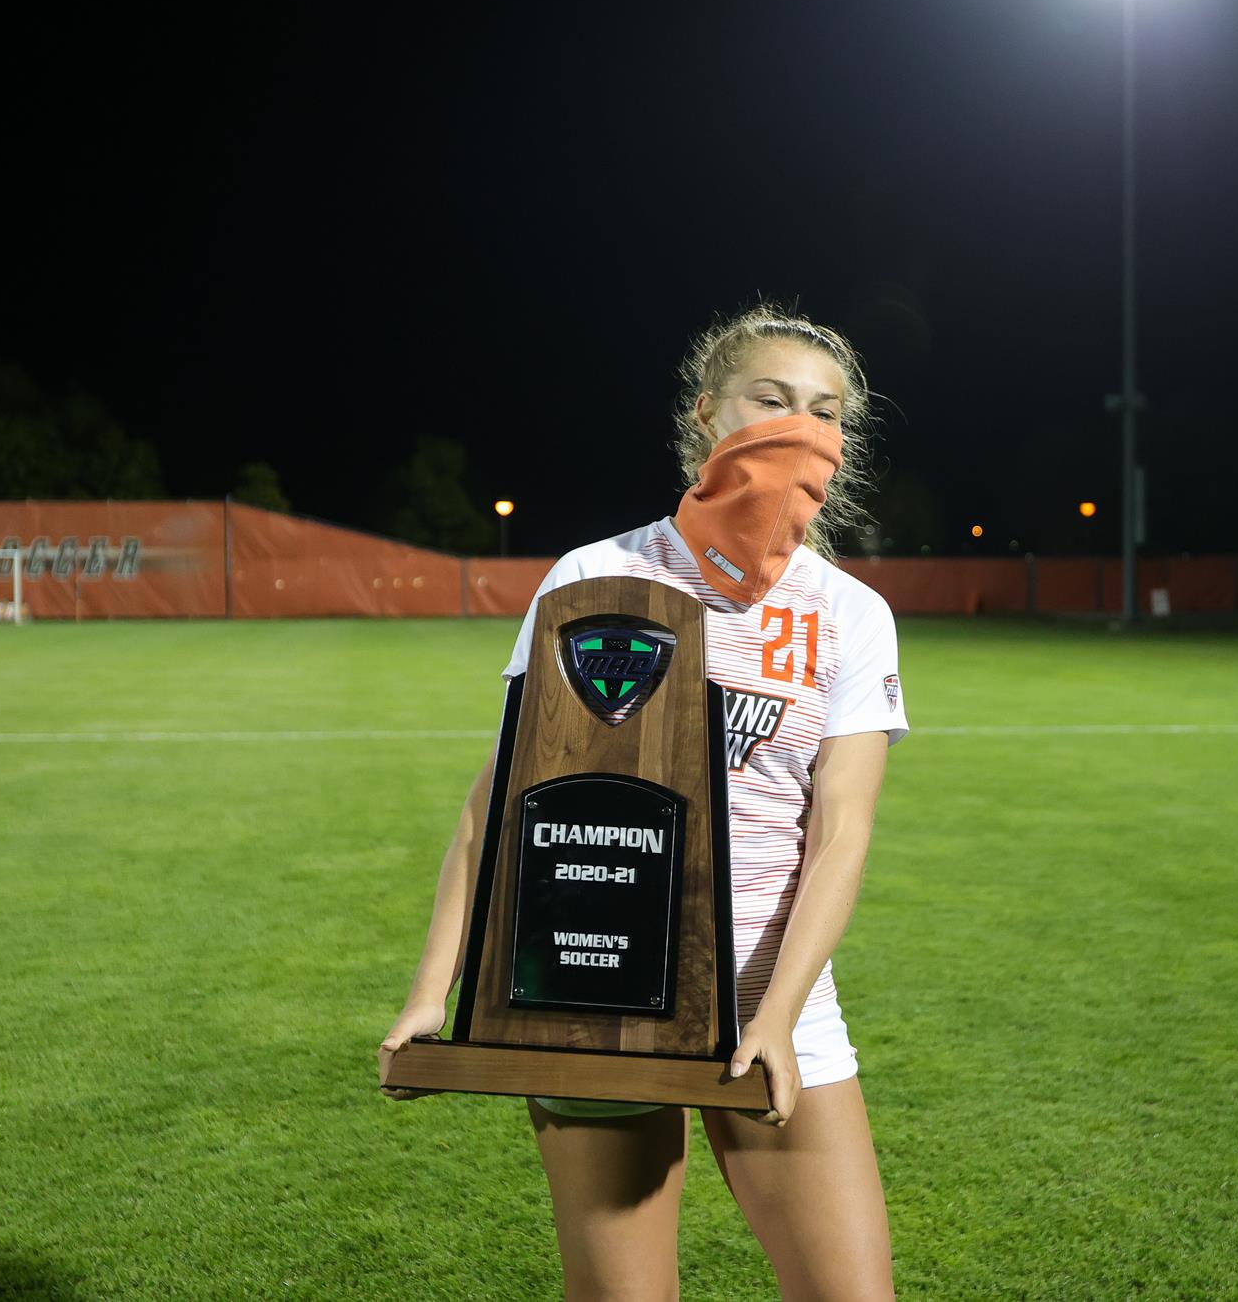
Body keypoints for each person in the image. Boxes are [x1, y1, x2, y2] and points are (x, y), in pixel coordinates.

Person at [382, 303, 909, 1301]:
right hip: (594, 993)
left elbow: (840, 836)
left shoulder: (850, 615)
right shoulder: (596, 576)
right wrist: (428, 994)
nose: (799, 427)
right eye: (771, 399)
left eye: (823, 412)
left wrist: (780, 1013)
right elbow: (495, 810)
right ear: (707, 414)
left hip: (773, 1000)